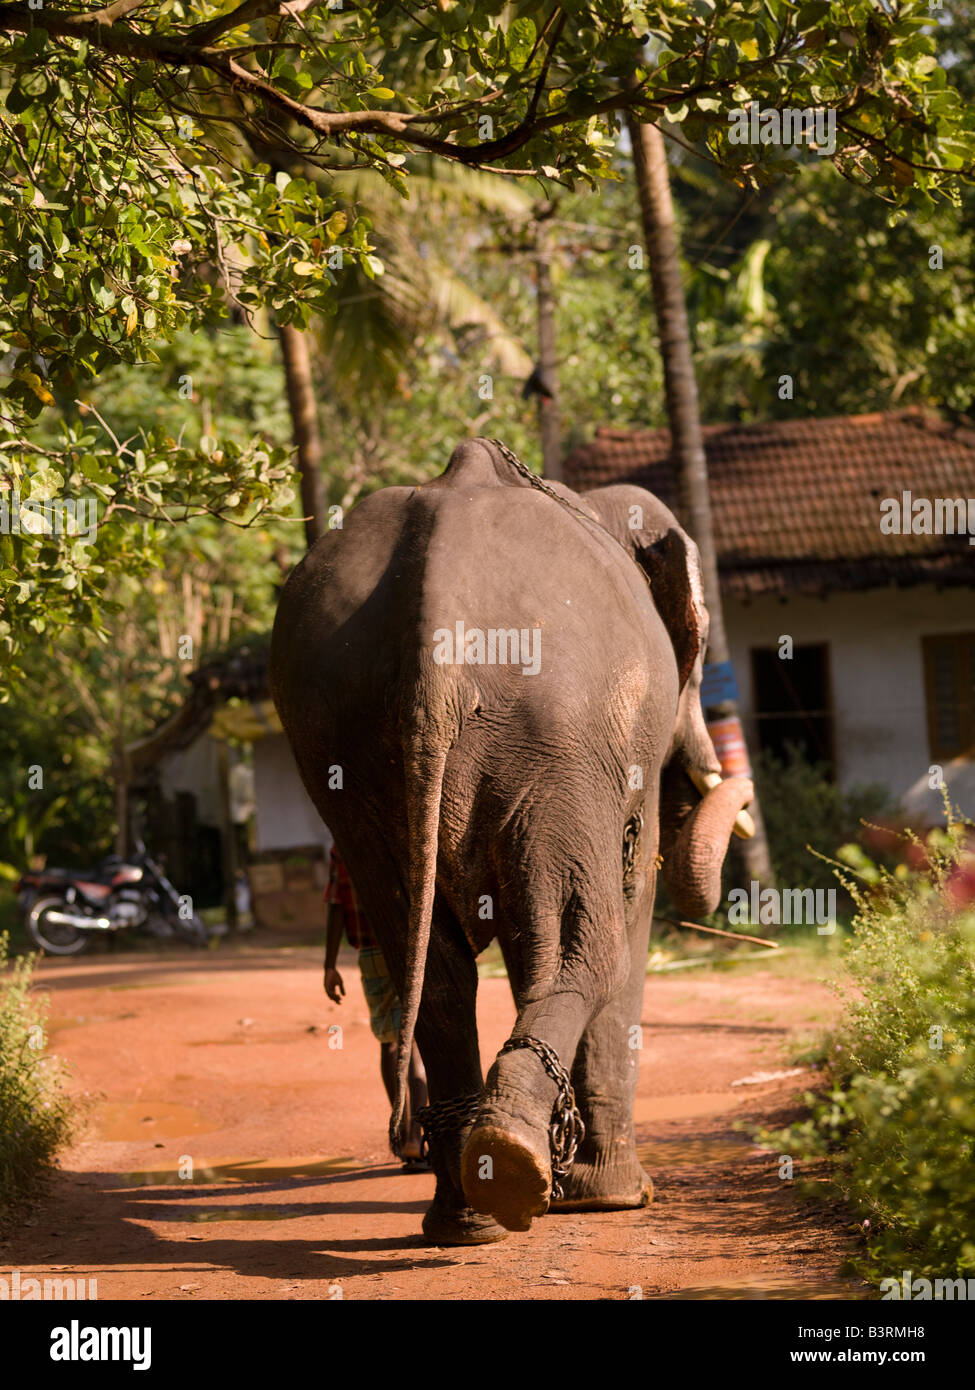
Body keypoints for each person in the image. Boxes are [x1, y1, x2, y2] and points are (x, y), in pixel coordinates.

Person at [322, 844, 429, 1168]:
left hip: (370, 953)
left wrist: (330, 965)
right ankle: (415, 1136)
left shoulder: (343, 845)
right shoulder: (401, 832)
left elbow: (336, 905)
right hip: (411, 947)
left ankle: (399, 1128)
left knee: (390, 1040)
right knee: (415, 1041)